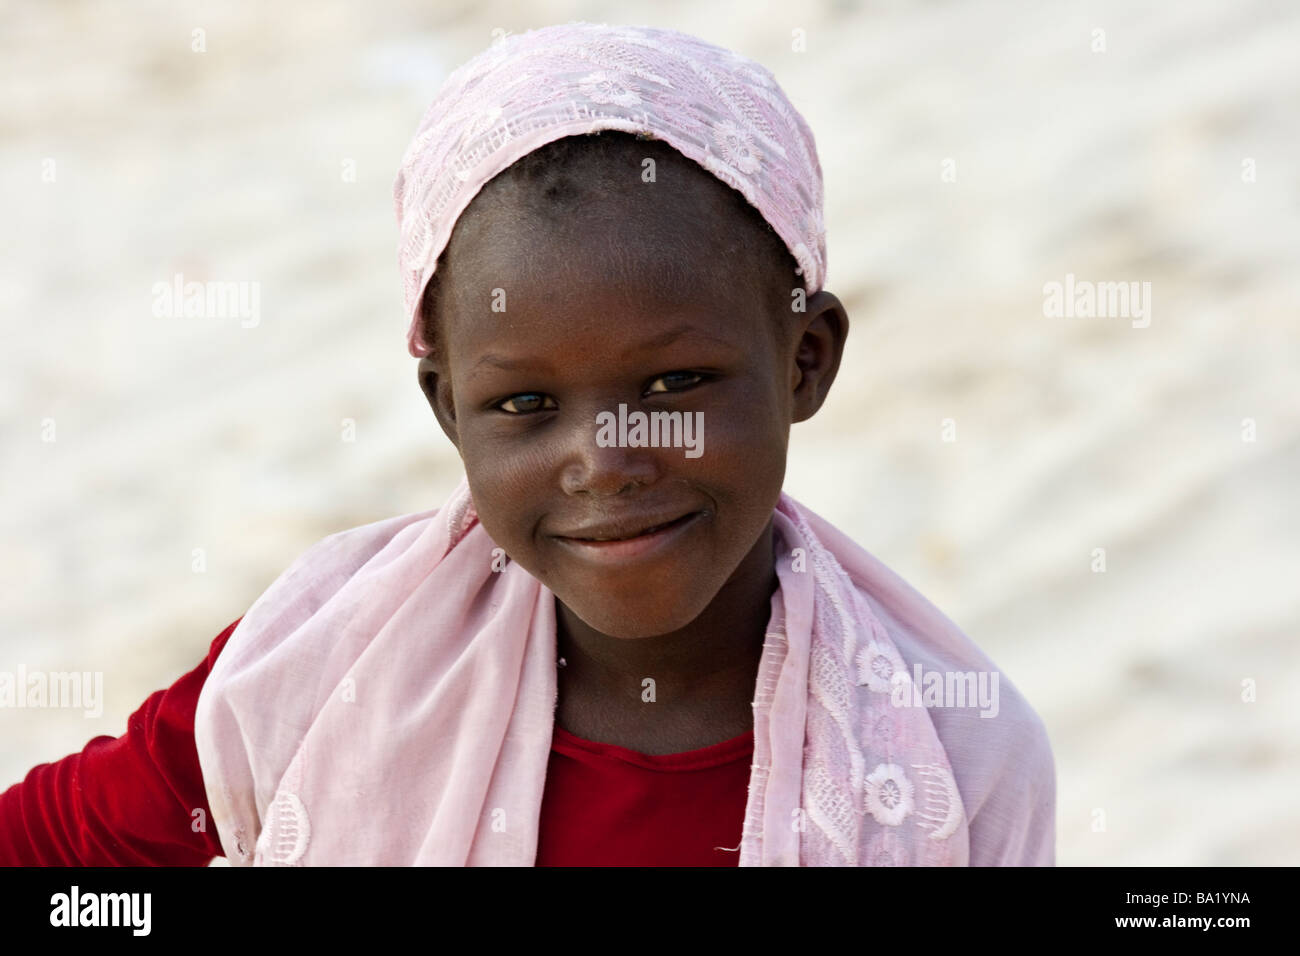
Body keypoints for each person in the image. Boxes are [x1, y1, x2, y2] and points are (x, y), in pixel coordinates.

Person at [1, 21, 1054, 867]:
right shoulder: (327, 666)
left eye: (675, 382)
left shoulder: (953, 756)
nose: (606, 457)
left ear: (805, 359)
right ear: (444, 406)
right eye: (523, 404)